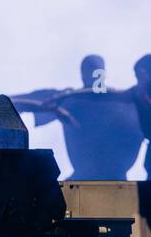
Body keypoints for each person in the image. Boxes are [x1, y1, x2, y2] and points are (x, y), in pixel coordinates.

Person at [12, 54, 146, 180]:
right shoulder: (70, 100)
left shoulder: (129, 102)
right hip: (90, 177)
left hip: (112, 178)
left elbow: (14, 102)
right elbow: (16, 102)